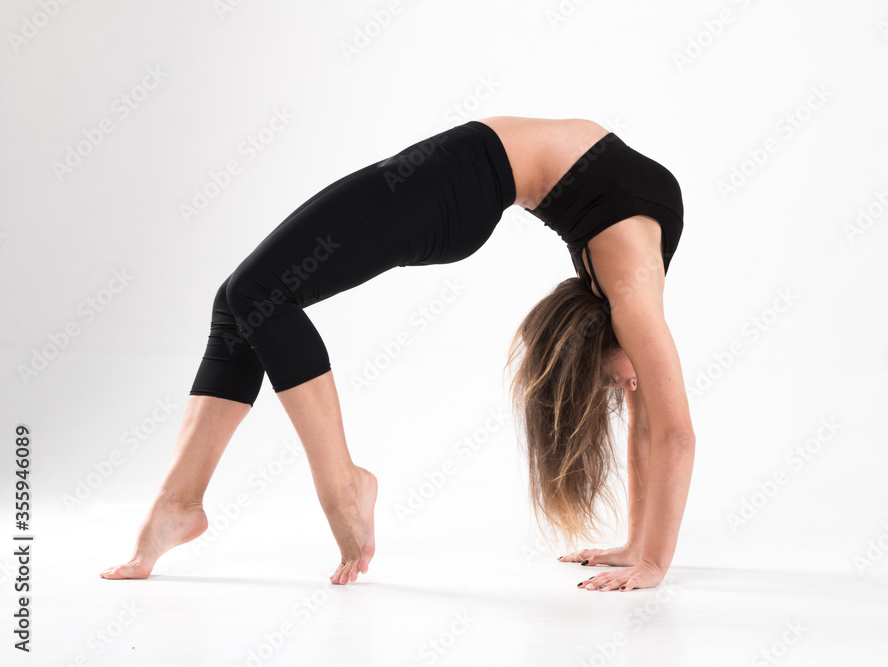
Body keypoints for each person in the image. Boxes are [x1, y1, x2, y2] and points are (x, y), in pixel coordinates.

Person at [99, 116, 695, 593]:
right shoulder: (631, 291)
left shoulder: (625, 283)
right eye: (614, 383)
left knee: (255, 294)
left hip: (466, 175)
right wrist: (651, 561)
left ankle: (329, 489)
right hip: (464, 179)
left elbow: (654, 430)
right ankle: (196, 501)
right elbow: (674, 436)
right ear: (599, 340)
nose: (627, 389)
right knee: (239, 301)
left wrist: (643, 555)